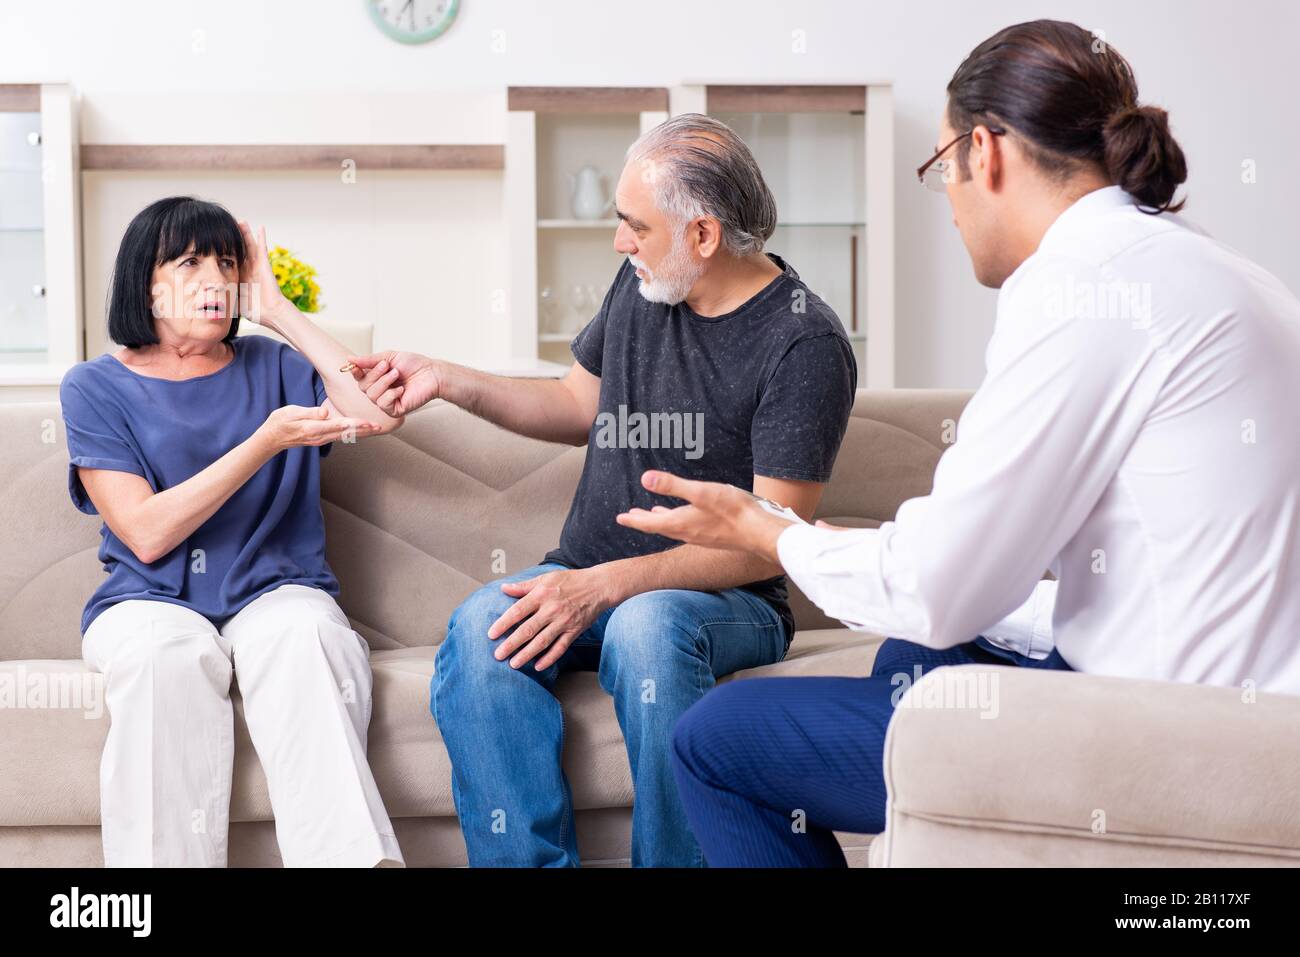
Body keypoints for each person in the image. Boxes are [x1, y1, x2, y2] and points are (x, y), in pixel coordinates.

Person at [615, 19, 1300, 866]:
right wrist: (866, 551)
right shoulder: (1222, 270)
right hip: (1249, 697)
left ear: (987, 151)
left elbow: (944, 586)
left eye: (942, 170)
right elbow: (1141, 582)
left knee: (711, 738)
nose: (948, 202)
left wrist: (772, 534)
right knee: (918, 646)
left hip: (1165, 735)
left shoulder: (1079, 287)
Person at [343, 114, 860, 867]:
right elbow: (573, 405)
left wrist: (603, 588)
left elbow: (771, 539)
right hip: (588, 574)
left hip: (728, 603)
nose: (619, 241)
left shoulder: (803, 343)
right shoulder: (645, 282)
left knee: (644, 629)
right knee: (483, 629)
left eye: (634, 225)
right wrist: (447, 378)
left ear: (704, 236)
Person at [61, 196, 408, 867]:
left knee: (306, 635)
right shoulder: (94, 386)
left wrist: (275, 309)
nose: (214, 280)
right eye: (189, 263)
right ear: (143, 281)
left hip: (275, 590)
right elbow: (146, 532)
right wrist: (265, 441)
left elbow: (378, 414)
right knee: (162, 657)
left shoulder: (273, 365)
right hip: (149, 599)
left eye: (226, 263)